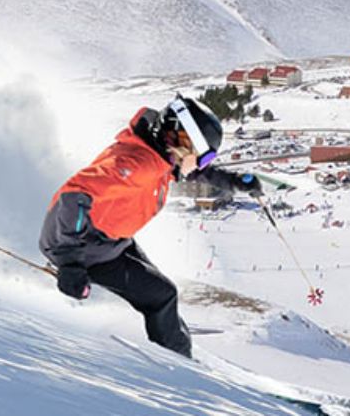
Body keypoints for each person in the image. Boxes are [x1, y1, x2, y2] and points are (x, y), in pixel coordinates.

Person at [39, 95, 262, 358]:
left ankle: (180, 353)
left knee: (163, 294)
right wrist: (70, 262)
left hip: (113, 241)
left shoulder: (158, 153)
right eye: (203, 157)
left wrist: (235, 181)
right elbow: (74, 196)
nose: (203, 165)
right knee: (162, 296)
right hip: (87, 247)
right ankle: (178, 367)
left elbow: (192, 171)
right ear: (184, 141)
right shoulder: (137, 165)